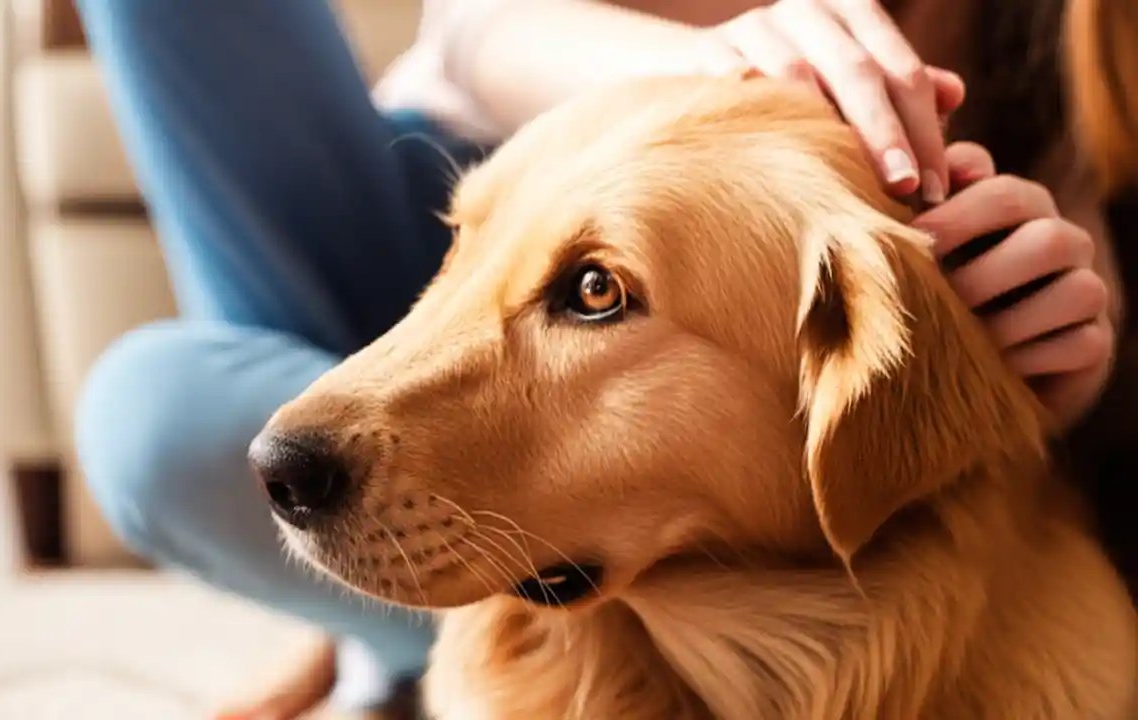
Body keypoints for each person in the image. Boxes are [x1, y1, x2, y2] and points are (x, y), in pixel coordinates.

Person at [73, 0, 1137, 714]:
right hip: (477, 176)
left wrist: (1047, 381)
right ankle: (419, 613)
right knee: (147, 412)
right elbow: (469, 34)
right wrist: (676, 73)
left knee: (170, 429)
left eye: (595, 295)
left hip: (791, 342)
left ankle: (399, 633)